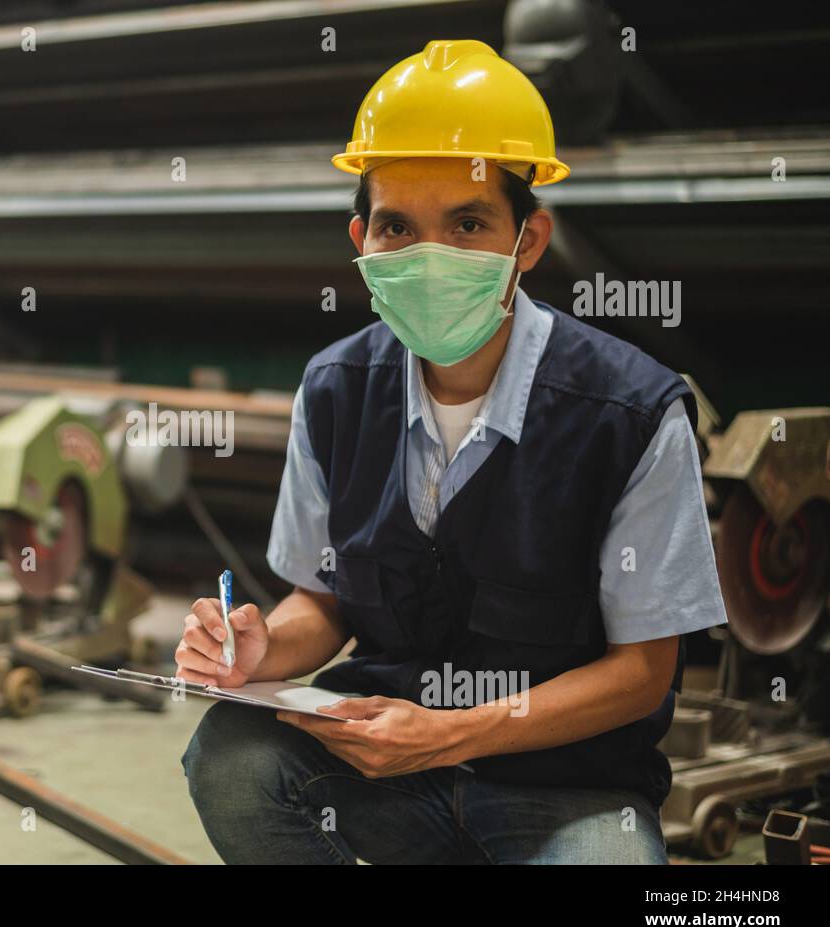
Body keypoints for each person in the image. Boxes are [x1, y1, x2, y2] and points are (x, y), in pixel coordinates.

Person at [178, 40, 728, 864]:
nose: (428, 255)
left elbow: (642, 674)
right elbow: (322, 601)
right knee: (231, 756)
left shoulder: (631, 413)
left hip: (568, 789)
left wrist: (448, 733)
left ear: (528, 242)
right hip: (383, 768)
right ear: (362, 239)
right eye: (398, 226)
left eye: (467, 223)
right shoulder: (333, 389)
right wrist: (262, 649)